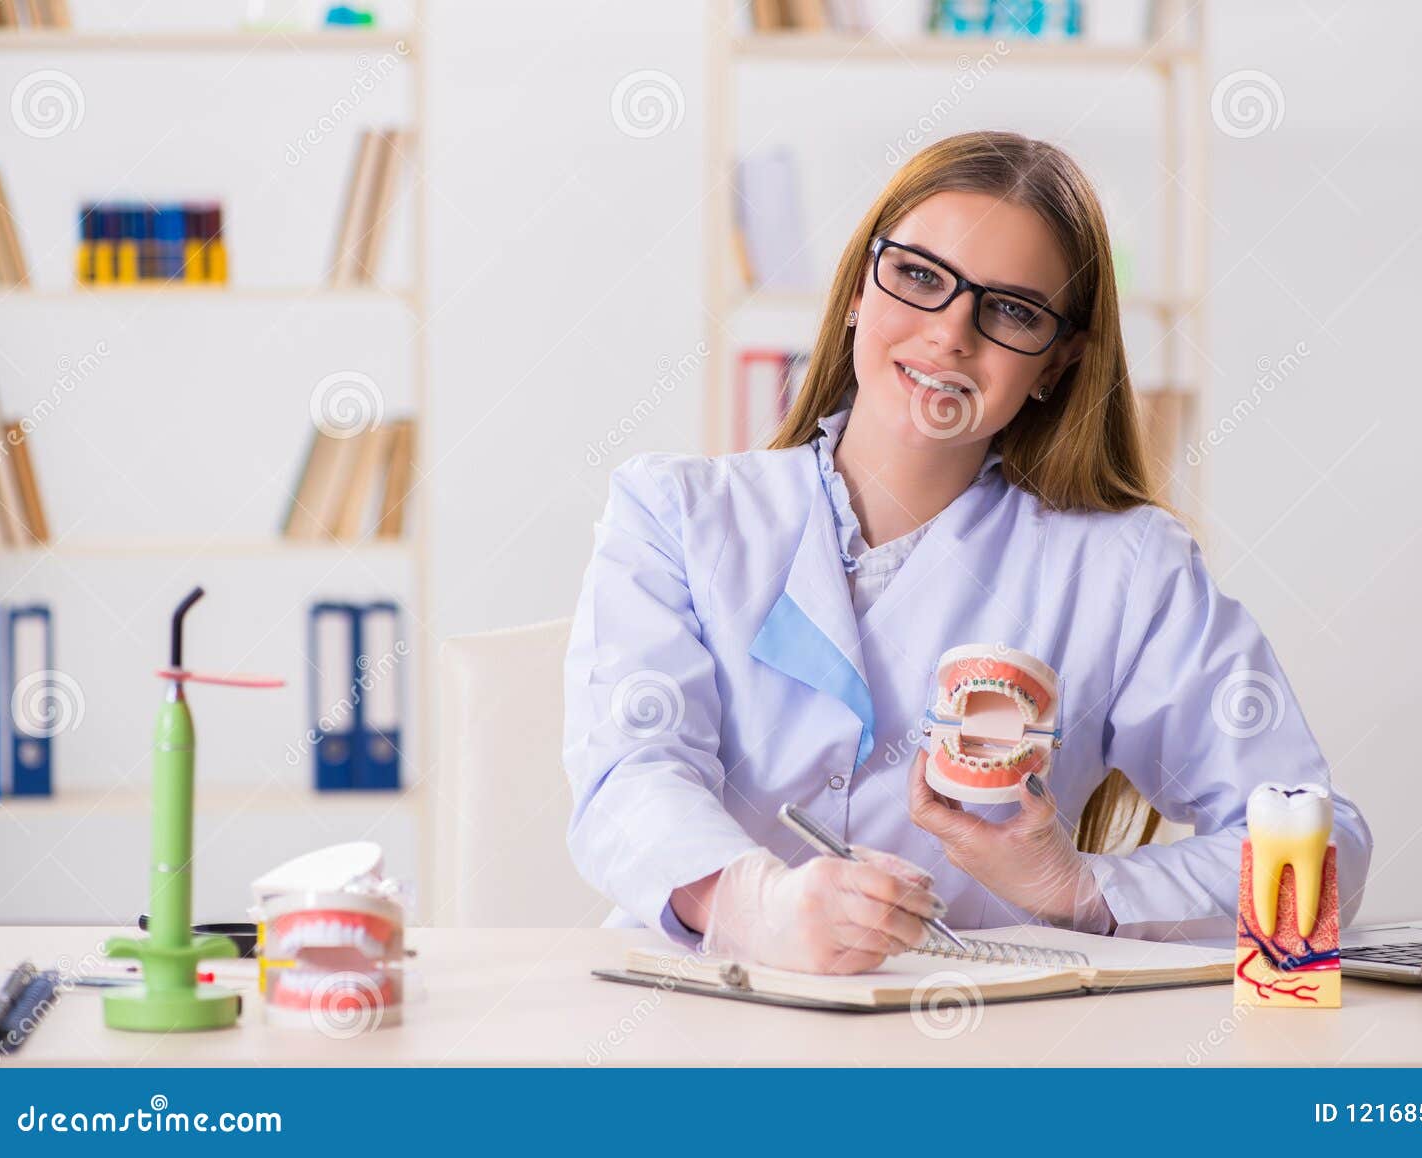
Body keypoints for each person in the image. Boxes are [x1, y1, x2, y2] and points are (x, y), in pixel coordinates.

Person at [563, 130, 1372, 974]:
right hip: (696, 1021)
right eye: (917, 276)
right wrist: (754, 907)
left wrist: (1079, 890)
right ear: (855, 292)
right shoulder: (675, 513)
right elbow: (628, 777)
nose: (951, 334)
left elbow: (1323, 863)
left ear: (1059, 363)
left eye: (1012, 310)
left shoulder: (1126, 569)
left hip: (978, 1039)